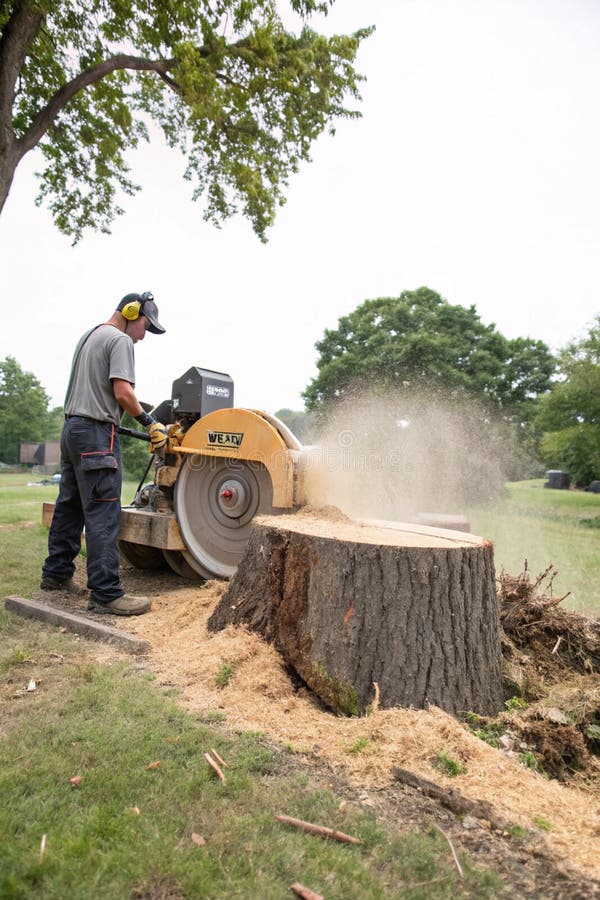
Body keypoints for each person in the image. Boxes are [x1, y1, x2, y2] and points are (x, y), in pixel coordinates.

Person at [40, 291, 168, 616]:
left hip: (72, 430)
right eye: (145, 327)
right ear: (131, 312)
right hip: (97, 434)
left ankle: (55, 575)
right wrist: (151, 422)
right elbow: (123, 392)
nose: (143, 336)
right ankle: (106, 593)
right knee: (103, 513)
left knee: (69, 506)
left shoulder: (89, 336)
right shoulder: (120, 340)